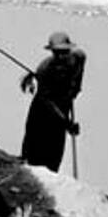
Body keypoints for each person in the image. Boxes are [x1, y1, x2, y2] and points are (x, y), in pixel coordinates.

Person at [19, 31, 85, 173]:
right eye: (57, 53)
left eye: (64, 52)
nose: (61, 56)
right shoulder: (45, 69)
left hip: (62, 109)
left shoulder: (78, 60)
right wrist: (67, 123)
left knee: (54, 155)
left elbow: (78, 74)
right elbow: (47, 100)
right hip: (42, 113)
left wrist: (73, 90)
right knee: (35, 155)